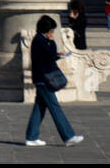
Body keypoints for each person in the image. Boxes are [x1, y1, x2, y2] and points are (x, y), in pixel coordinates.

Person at [25, 14, 84, 147]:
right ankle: (68, 136)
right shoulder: (41, 40)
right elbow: (49, 55)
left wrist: (58, 54)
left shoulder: (40, 39)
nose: (52, 33)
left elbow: (48, 56)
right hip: (44, 79)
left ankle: (31, 137)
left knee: (39, 108)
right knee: (55, 108)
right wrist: (52, 42)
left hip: (41, 77)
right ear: (47, 30)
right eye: (51, 30)